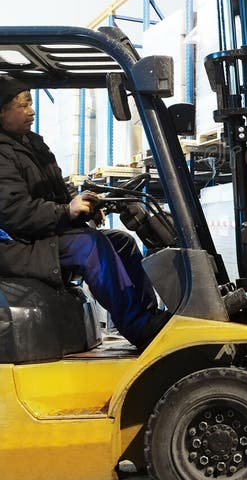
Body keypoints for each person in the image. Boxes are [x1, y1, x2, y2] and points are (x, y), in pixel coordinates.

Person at [0, 77, 170, 348]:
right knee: (91, 246)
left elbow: (56, 192)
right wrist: (66, 211)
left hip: (42, 234)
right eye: (23, 105)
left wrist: (82, 209)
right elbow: (16, 212)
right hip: (17, 245)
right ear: (2, 112)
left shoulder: (32, 144)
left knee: (121, 241)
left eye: (31, 103)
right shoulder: (3, 154)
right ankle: (138, 327)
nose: (31, 111)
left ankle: (148, 316)